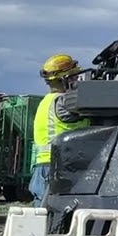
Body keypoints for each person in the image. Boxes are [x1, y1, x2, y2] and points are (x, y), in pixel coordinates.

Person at [29, 53, 91, 205]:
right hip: (57, 168)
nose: (77, 80)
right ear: (66, 79)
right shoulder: (64, 103)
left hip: (44, 167)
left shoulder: (46, 102)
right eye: (75, 77)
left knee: (42, 216)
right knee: (55, 215)